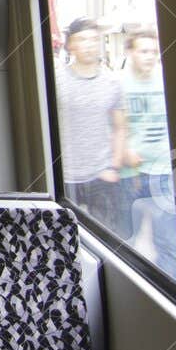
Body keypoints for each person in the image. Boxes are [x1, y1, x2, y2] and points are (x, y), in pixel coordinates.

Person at [56, 18, 126, 235]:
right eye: (83, 39)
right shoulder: (56, 80)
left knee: (105, 237)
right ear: (70, 45)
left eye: (94, 40)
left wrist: (113, 166)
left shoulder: (112, 82)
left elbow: (120, 127)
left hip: (100, 175)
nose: (89, 45)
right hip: (65, 176)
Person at [120, 30, 176, 278]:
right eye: (143, 51)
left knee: (168, 239)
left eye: (154, 51)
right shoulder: (118, 83)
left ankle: (171, 291)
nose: (150, 56)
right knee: (126, 236)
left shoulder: (169, 80)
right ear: (130, 53)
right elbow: (111, 126)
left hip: (163, 170)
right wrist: (124, 152)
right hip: (131, 172)